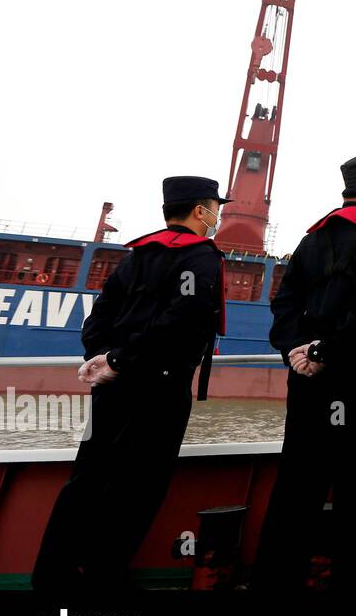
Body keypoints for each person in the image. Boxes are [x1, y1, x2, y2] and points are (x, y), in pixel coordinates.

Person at [32, 175, 229, 589]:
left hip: (113, 386)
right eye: (215, 207)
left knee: (86, 478)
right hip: (159, 389)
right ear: (200, 211)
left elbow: (101, 313)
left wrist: (102, 358)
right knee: (138, 487)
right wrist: (123, 359)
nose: (217, 215)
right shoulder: (201, 258)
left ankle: (52, 575)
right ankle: (105, 577)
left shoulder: (136, 255)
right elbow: (182, 319)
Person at [252, 153, 356, 590]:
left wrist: (296, 351)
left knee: (296, 489)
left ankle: (273, 583)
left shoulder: (313, 239)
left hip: (309, 382)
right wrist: (330, 350)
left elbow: (284, 303)